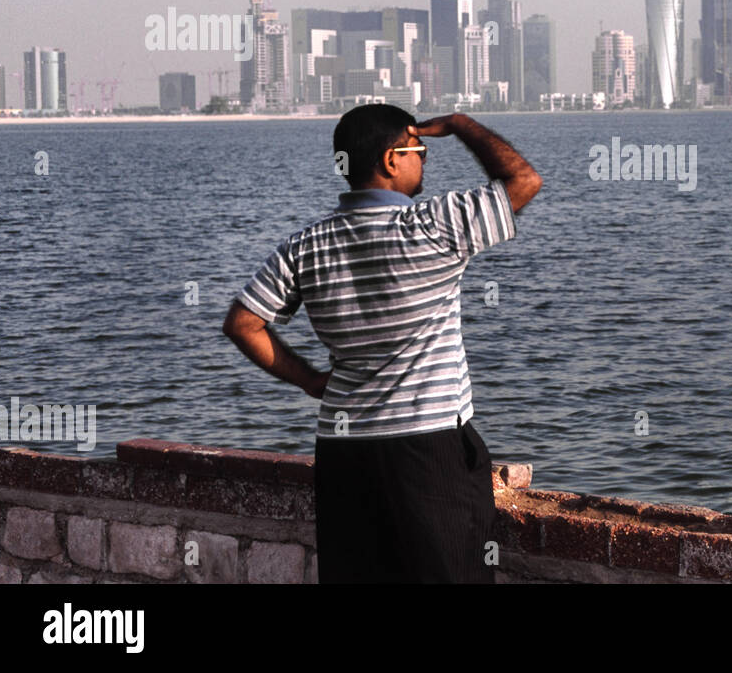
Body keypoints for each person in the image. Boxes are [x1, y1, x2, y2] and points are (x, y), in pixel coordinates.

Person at [221, 105, 542, 583]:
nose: (425, 163)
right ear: (392, 160)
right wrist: (460, 125)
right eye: (420, 152)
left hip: (345, 452)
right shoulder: (435, 225)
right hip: (428, 449)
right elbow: (523, 180)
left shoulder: (304, 246)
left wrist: (311, 381)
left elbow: (243, 323)